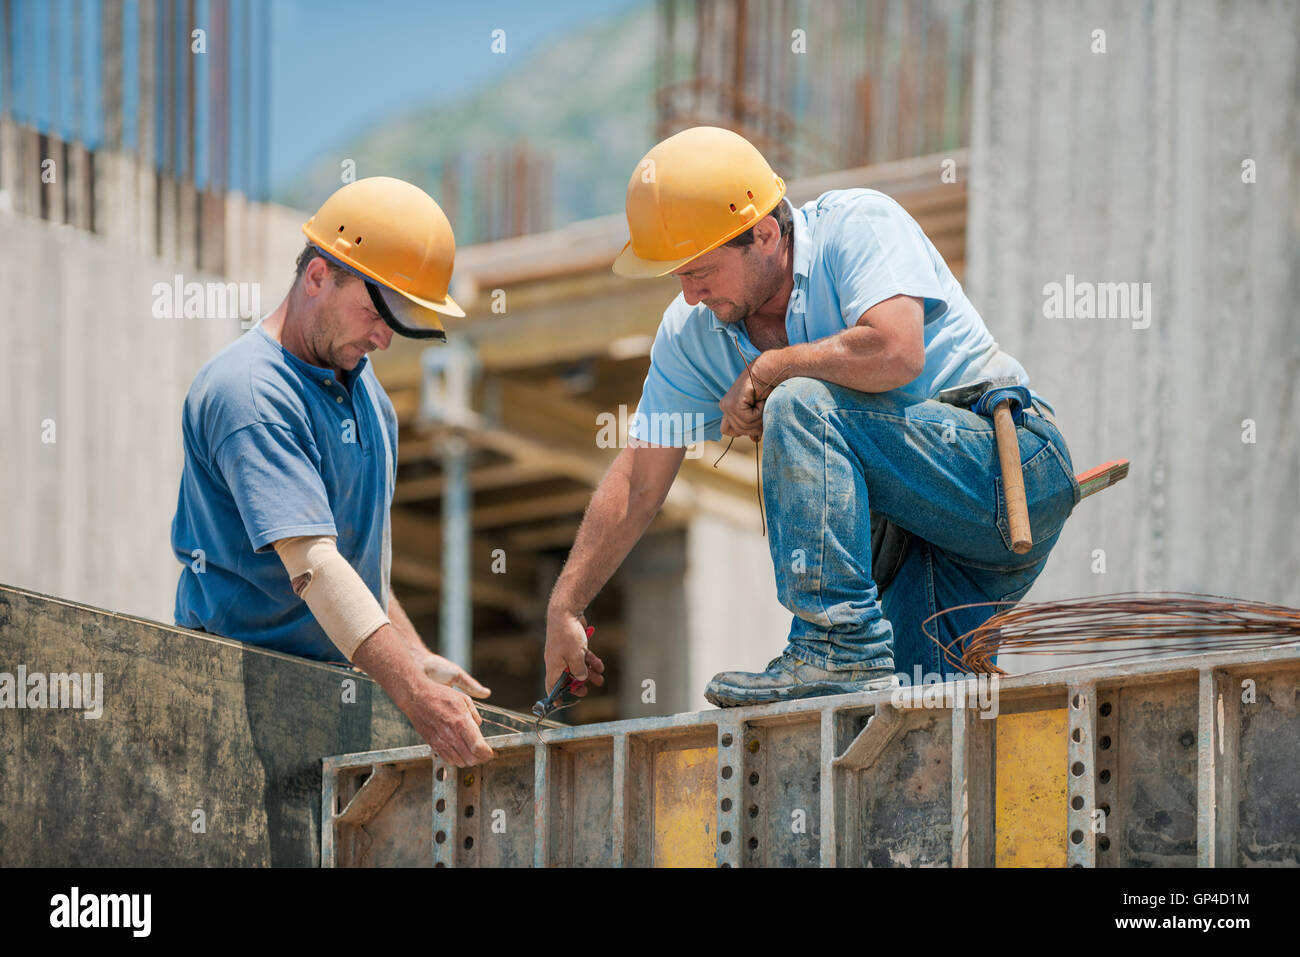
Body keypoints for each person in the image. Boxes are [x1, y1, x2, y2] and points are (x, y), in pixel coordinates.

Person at [544, 127, 1080, 707]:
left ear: (766, 233)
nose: (691, 295)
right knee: (921, 731)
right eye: (679, 277)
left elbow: (898, 351)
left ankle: (835, 648)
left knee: (798, 401)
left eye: (700, 271)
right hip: (924, 546)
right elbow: (639, 479)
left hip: (1006, 470)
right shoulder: (692, 333)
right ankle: (851, 661)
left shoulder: (857, 226)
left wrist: (772, 367)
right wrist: (565, 604)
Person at [171, 176, 495, 765]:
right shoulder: (250, 394)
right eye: (376, 311)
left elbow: (348, 564)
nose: (384, 338)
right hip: (231, 698)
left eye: (398, 321)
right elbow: (315, 567)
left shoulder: (369, 398)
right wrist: (415, 697)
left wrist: (415, 656)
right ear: (318, 276)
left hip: (321, 698)